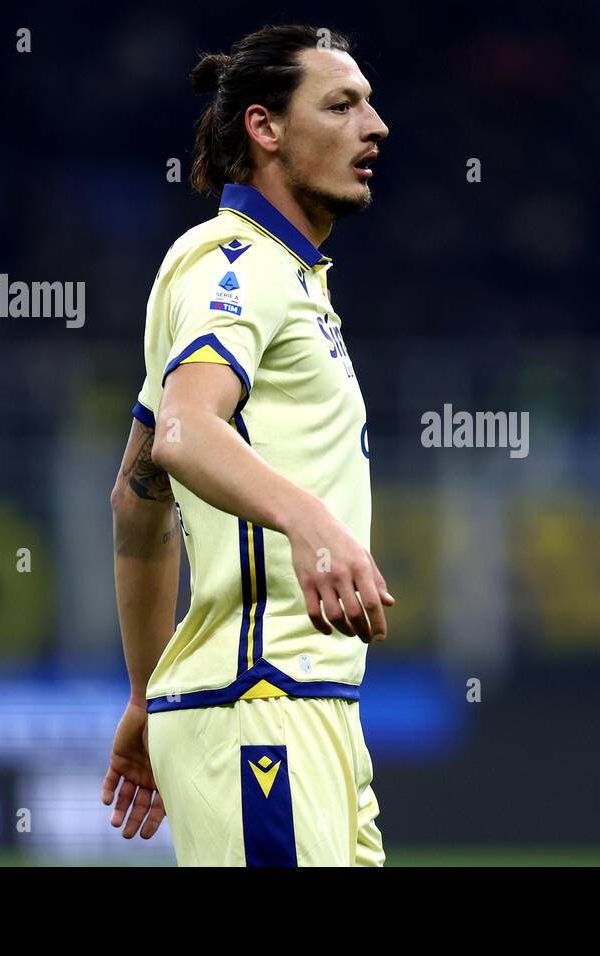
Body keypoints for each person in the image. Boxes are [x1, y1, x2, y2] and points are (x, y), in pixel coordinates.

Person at [102, 23, 392, 866]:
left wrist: (144, 692)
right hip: (261, 704)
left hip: (308, 705)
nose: (374, 127)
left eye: (370, 105)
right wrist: (313, 523)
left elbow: (136, 498)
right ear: (265, 128)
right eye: (341, 105)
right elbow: (188, 432)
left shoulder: (289, 279)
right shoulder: (237, 262)